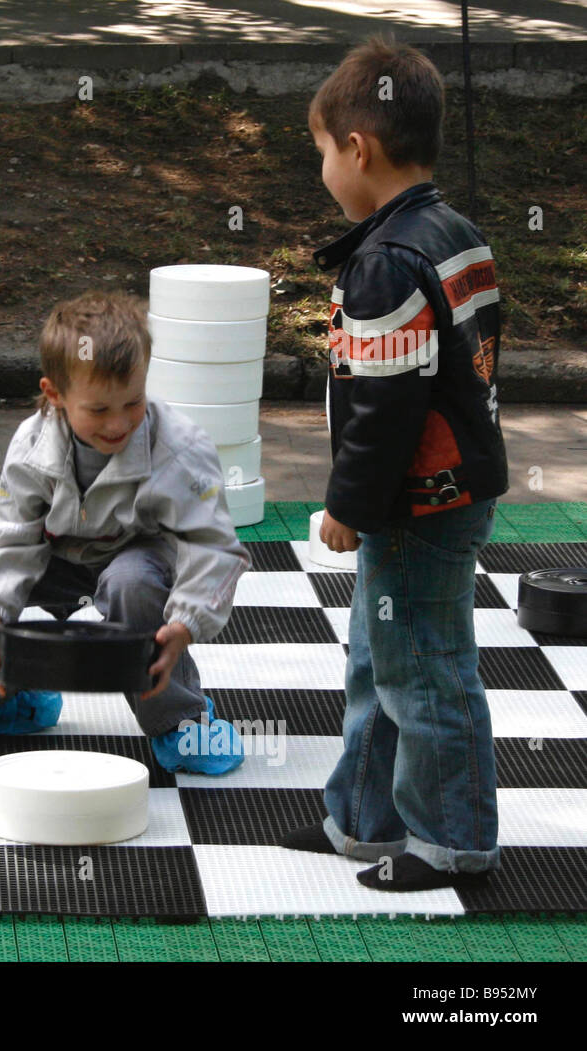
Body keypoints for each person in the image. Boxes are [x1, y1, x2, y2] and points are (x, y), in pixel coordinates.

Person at [280, 35, 510, 891]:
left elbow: (382, 416)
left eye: (319, 154)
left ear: (357, 148)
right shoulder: (456, 233)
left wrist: (351, 504)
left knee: (423, 670)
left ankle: (452, 840)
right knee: (383, 658)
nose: (323, 173)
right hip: (449, 493)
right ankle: (364, 818)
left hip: (414, 506)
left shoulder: (383, 265)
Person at [0, 289, 251, 775]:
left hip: (143, 556)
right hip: (58, 553)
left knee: (130, 581)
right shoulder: (32, 442)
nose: (119, 424)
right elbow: (11, 535)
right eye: (98, 409)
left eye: (132, 403)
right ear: (55, 395)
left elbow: (212, 545)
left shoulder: (179, 447)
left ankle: (177, 718)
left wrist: (185, 624)